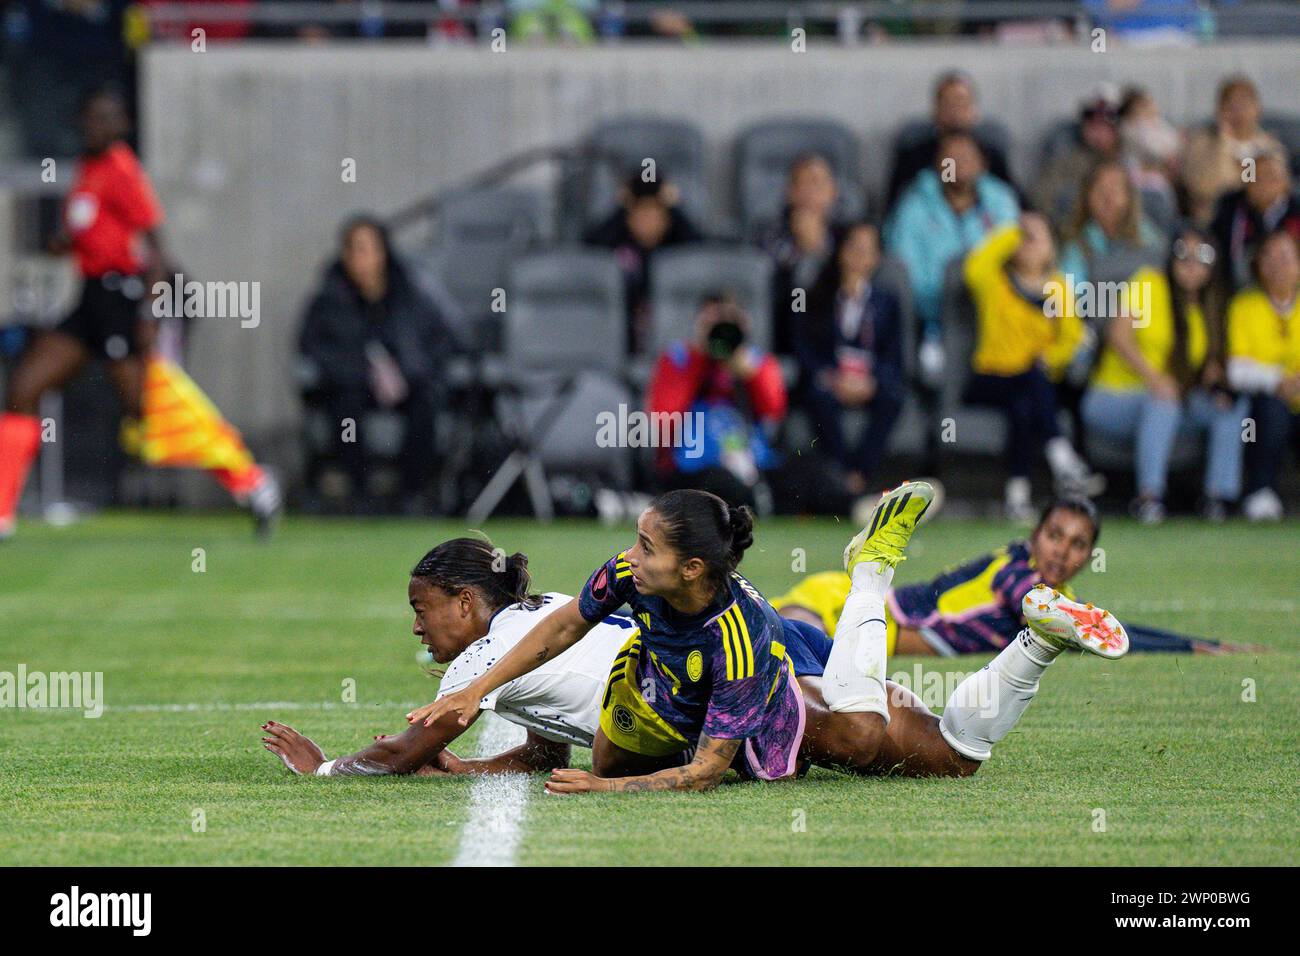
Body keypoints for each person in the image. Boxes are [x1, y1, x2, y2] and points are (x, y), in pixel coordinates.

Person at [267, 483, 1137, 787]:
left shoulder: (496, 647)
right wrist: (474, 754)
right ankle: (1035, 642)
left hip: (743, 676)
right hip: (712, 673)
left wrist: (333, 769)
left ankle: (883, 578)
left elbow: (701, 774)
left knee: (888, 734)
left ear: (466, 602)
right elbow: (558, 689)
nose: (416, 624)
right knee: (943, 744)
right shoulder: (579, 600)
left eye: (423, 605)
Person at [0, 85, 280, 540]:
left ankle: (252, 481)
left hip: (120, 301)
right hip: (89, 299)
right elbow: (93, 231)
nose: (94, 124)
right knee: (24, 388)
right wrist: (65, 244)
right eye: (89, 116)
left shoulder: (123, 170)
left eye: (104, 117)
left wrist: (149, 314)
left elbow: (158, 252)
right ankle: (2, 513)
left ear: (122, 125)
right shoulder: (87, 170)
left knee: (151, 417)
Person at [772, 497, 1254, 656]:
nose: (1062, 551)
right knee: (769, 643)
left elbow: (1104, 630)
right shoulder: (1017, 572)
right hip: (856, 606)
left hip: (872, 623)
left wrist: (1192, 644)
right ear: (1035, 534)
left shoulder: (1060, 598)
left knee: (769, 647)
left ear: (1089, 556)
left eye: (1078, 543)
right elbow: (1048, 612)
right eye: (1055, 535)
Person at [1082, 228, 1246, 523]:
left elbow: (1204, 372)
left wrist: (1213, 382)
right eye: (1183, 253)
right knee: (1163, 400)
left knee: (1231, 407)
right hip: (1113, 397)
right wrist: (1153, 378)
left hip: (1173, 404)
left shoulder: (1209, 310)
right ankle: (1149, 498)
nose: (1191, 264)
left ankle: (1218, 497)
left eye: (1203, 257)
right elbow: (1118, 335)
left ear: (1214, 266)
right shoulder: (1149, 283)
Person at [298, 214, 453, 512]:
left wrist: (412, 370)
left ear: (384, 252)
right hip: (352, 385)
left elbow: (442, 338)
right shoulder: (330, 298)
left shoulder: (411, 293)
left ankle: (412, 494)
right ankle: (360, 493)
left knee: (425, 402)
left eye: (369, 248)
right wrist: (354, 372)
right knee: (345, 407)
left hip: (406, 382)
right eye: (355, 249)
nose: (362, 258)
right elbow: (311, 346)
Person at [961, 214, 1101, 521]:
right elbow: (973, 268)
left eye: (1036, 238)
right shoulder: (995, 282)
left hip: (1032, 382)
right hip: (990, 376)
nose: (1028, 244)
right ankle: (1062, 457)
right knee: (1030, 384)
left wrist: (1050, 358)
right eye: (1023, 238)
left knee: (1024, 403)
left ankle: (1017, 497)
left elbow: (1071, 339)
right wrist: (1013, 230)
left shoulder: (1058, 288)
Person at [886, 129, 1019, 386]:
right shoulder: (913, 206)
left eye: (967, 157)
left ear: (983, 165)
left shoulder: (1001, 201)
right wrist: (946, 300)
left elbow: (1016, 262)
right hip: (934, 322)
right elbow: (904, 271)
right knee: (935, 378)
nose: (958, 164)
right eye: (950, 158)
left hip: (995, 319)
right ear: (937, 165)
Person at [795, 222, 905, 500]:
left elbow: (894, 356)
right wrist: (830, 377)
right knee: (817, 395)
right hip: (831, 378)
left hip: (869, 380)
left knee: (893, 396)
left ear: (877, 258)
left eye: (867, 251)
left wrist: (872, 381)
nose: (859, 257)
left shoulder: (887, 302)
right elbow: (803, 348)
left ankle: (860, 475)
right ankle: (841, 474)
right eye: (853, 248)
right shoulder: (816, 295)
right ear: (841, 252)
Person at [645, 296, 787, 511]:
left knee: (807, 477)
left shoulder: (756, 361)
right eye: (713, 321)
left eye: (729, 320)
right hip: (697, 466)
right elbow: (664, 417)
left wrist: (748, 373)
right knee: (721, 488)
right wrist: (698, 360)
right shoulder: (679, 358)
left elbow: (774, 411)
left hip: (752, 460)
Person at [584, 170, 703, 353]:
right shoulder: (618, 240)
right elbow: (589, 245)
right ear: (628, 219)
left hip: (670, 338)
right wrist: (621, 207)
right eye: (641, 215)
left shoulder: (676, 243)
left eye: (655, 215)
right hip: (624, 338)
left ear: (667, 220)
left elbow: (702, 247)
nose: (647, 223)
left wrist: (675, 207)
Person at [1227, 230, 1300, 522]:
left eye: (1286, 258)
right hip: (1267, 404)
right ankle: (1260, 491)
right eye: (1269, 258)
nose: (1278, 266)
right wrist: (1278, 381)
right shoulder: (1244, 307)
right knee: (1269, 412)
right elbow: (1237, 370)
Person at [884, 71, 1015, 211]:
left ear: (974, 110)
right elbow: (895, 205)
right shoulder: (914, 155)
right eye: (948, 104)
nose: (955, 112)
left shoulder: (990, 151)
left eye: (962, 103)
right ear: (935, 110)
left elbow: (1015, 198)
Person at [760, 153, 839, 355]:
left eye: (816, 184)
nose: (809, 193)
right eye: (800, 185)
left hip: (839, 323)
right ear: (789, 193)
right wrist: (804, 251)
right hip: (793, 321)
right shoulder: (772, 236)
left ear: (832, 192)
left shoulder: (845, 235)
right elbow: (786, 294)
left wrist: (821, 248)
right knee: (800, 285)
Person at [1184, 75, 1289, 227]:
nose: (1239, 112)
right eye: (1231, 106)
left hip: (1261, 223)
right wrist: (1223, 141)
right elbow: (1203, 187)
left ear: (1257, 107)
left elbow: (1278, 189)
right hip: (1212, 221)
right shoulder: (1202, 142)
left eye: (1245, 104)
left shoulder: (1270, 146)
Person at [1058, 160, 1168, 288]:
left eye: (1115, 189)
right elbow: (1070, 294)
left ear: (1129, 197)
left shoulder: (1148, 236)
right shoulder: (1076, 245)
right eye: (1100, 189)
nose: (1108, 197)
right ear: (1086, 198)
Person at [1208, 149, 1300, 293]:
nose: (1263, 184)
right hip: (1238, 290)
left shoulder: (1296, 210)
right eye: (1256, 177)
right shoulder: (1230, 206)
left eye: (1270, 176)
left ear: (1285, 182)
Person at [1032, 85, 1123, 228]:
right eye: (1092, 124)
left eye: (1105, 126)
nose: (1098, 132)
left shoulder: (1127, 162)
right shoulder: (1067, 161)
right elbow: (1041, 198)